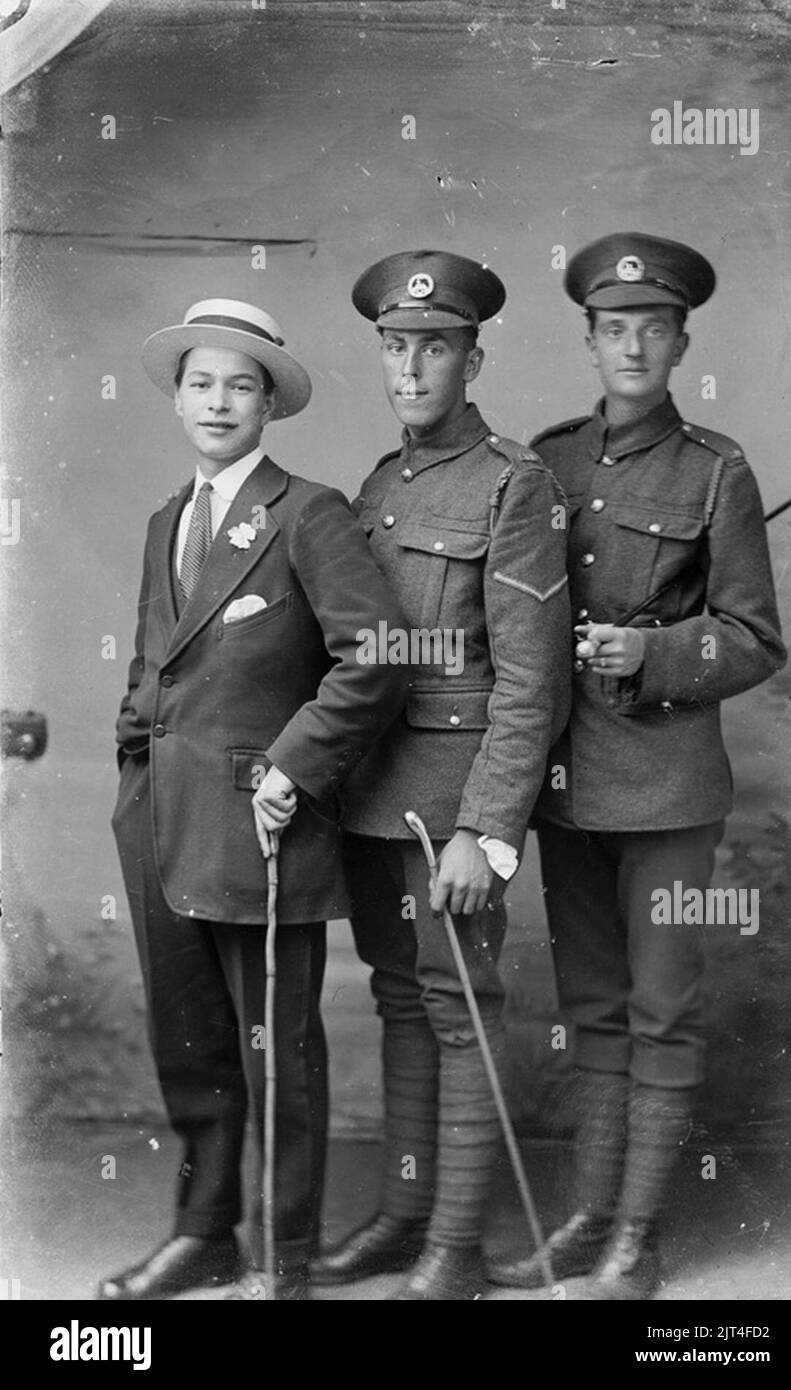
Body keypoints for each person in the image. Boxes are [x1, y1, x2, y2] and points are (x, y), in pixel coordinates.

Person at [488, 233, 787, 1299]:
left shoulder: (717, 471)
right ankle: (586, 1220)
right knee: (593, 1008)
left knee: (660, 1006)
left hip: (664, 789)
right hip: (567, 787)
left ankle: (636, 1242)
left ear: (679, 342)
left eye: (650, 330)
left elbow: (754, 636)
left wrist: (651, 652)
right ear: (588, 340)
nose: (631, 346)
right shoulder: (547, 460)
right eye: (613, 329)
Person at [102, 298, 408, 1301]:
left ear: (269, 402)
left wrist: (292, 764)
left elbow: (376, 655)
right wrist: (131, 768)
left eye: (242, 382)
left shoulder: (308, 512)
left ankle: (283, 1255)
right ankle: (204, 1233)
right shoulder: (164, 521)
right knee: (188, 1044)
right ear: (179, 397)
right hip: (160, 817)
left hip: (261, 819)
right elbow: (157, 666)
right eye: (202, 381)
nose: (220, 400)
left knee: (273, 1050)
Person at [309, 250, 572, 1300]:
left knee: (458, 1005)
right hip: (375, 800)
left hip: (452, 812)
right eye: (396, 346)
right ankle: (403, 1217)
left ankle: (454, 1250)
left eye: (434, 347)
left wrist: (489, 829)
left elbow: (531, 681)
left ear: (473, 356)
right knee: (400, 1000)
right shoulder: (379, 483)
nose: (412, 367)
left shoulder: (516, 484)